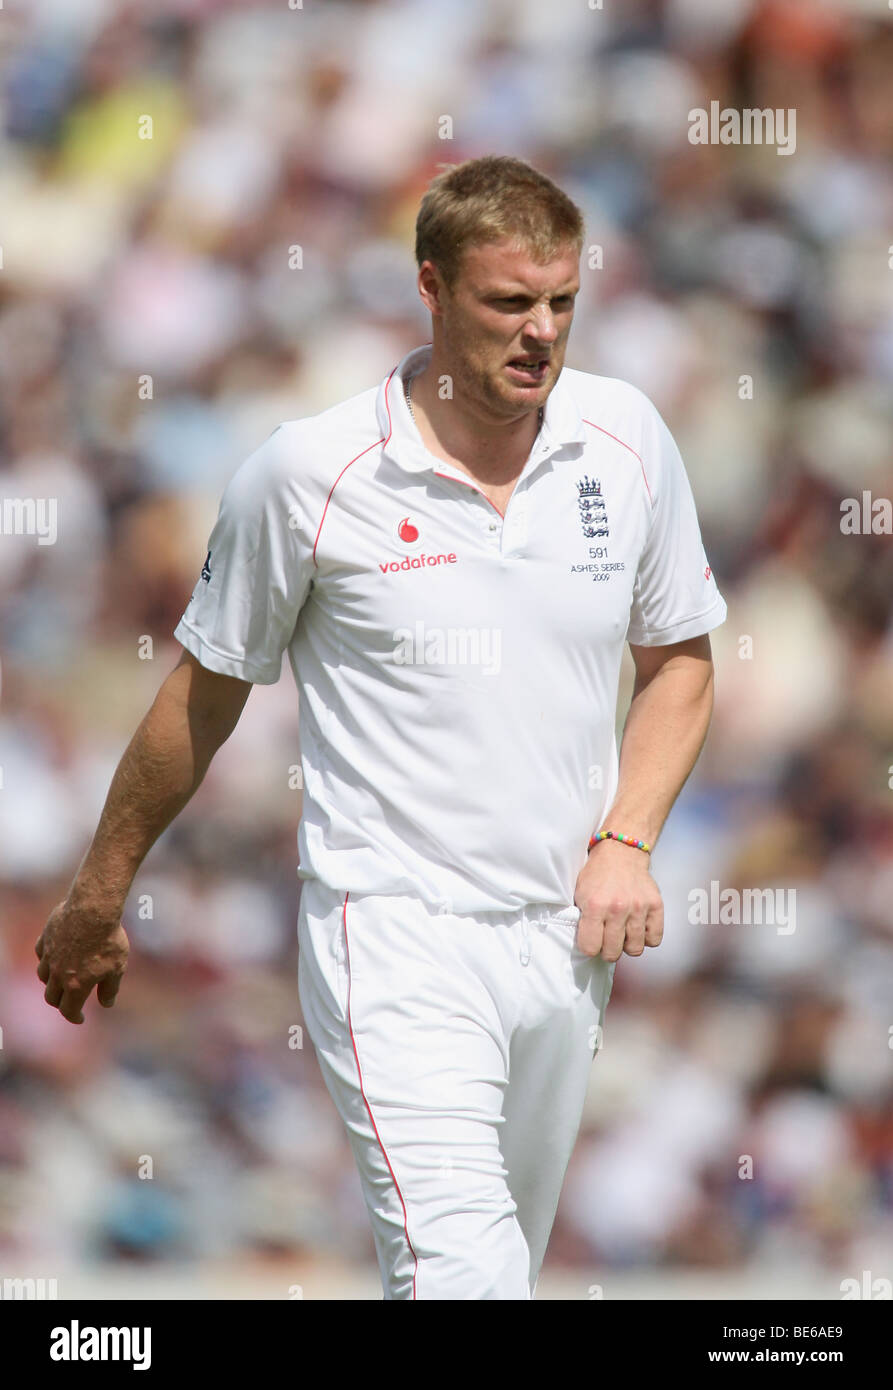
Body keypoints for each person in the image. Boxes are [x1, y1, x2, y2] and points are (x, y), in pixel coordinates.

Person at [36, 155, 727, 1300]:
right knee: (465, 1279)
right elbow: (204, 696)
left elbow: (680, 664)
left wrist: (626, 839)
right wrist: (101, 891)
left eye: (560, 301)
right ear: (432, 287)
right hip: (393, 931)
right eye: (509, 302)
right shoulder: (308, 475)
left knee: (496, 1271)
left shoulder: (626, 438)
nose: (540, 332)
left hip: (563, 944)